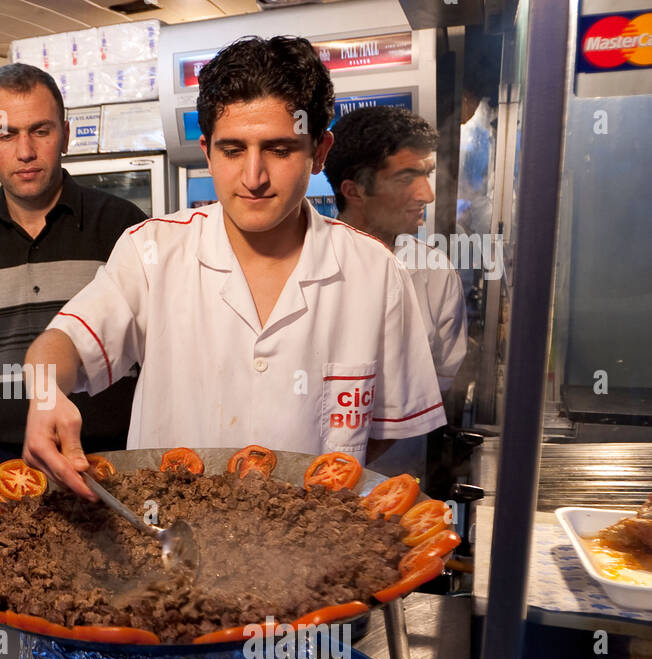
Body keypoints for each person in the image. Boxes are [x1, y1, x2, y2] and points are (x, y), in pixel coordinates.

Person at [22, 36, 444, 499]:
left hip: (308, 534)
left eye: (280, 150)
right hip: (168, 530)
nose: (253, 177)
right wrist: (45, 395)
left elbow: (386, 427)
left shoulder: (375, 272)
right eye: (232, 150)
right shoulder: (152, 252)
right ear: (207, 151)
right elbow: (61, 343)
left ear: (320, 151)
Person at [0, 63, 144, 477]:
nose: (25, 152)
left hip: (112, 457)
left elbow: (149, 349)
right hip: (6, 464)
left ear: (65, 135)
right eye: (6, 134)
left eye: (40, 131)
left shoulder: (125, 227)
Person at [323, 105, 468, 395]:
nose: (427, 195)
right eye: (405, 179)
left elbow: (441, 377)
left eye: (427, 175)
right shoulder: (302, 263)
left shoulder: (435, 272)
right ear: (353, 191)